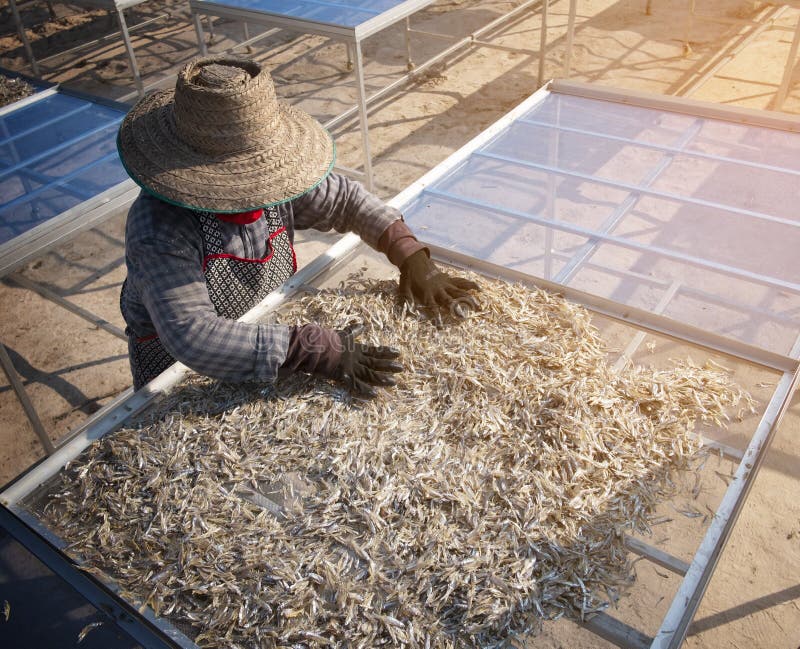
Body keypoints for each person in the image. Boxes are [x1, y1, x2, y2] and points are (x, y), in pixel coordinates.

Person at [117, 56, 479, 395]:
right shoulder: (159, 227)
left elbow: (345, 200)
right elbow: (192, 335)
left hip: (263, 327)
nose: (255, 194)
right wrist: (309, 347)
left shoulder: (276, 181)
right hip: (179, 371)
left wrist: (409, 252)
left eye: (257, 182)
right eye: (238, 184)